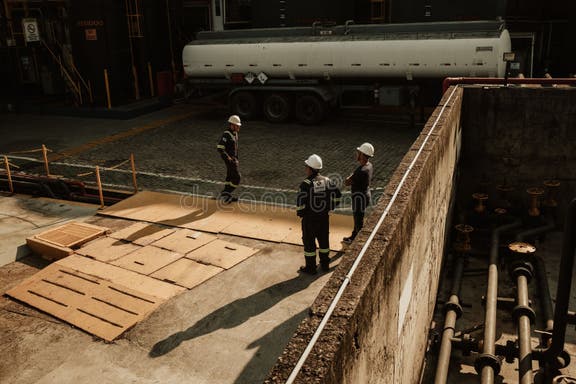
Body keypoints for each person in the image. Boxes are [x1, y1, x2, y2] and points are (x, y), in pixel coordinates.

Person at [296, 154, 342, 274]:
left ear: (310, 168)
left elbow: (300, 205)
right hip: (323, 218)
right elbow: (338, 196)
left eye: (306, 166)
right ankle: (325, 264)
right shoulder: (327, 181)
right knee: (324, 241)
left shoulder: (305, 184)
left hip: (310, 220)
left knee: (309, 243)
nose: (305, 168)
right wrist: (331, 206)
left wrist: (301, 214)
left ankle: (311, 268)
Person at [343, 143, 374, 244]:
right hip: (365, 195)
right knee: (358, 218)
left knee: (358, 220)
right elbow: (353, 176)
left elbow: (347, 182)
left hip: (359, 198)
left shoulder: (361, 171)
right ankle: (353, 235)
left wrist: (350, 177)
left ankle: (357, 242)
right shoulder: (368, 165)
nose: (357, 154)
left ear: (362, 154)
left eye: (359, 153)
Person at [216, 115, 242, 203]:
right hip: (229, 160)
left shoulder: (235, 134)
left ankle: (227, 195)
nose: (238, 127)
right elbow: (220, 148)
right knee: (237, 178)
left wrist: (236, 159)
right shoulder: (226, 134)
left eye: (238, 125)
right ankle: (226, 193)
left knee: (230, 176)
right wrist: (228, 159)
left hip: (233, 160)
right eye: (237, 125)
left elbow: (235, 148)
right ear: (232, 125)